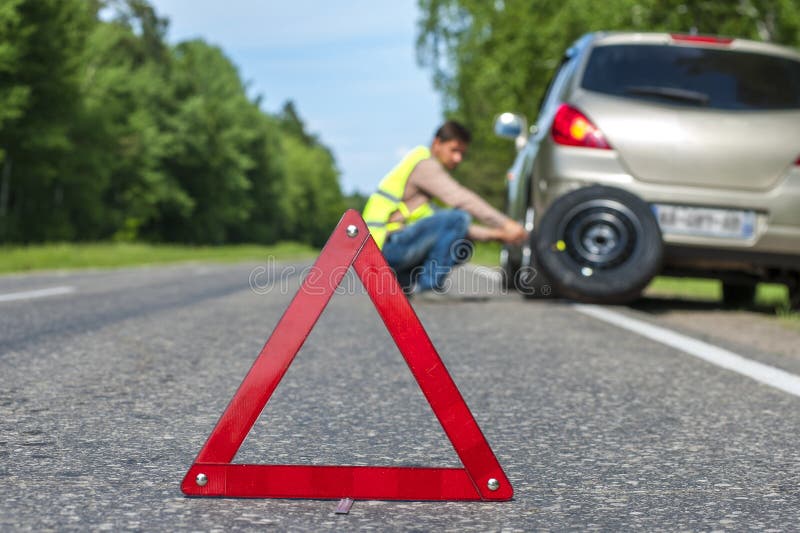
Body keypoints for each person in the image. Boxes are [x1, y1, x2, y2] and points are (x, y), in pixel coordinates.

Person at [362, 120, 527, 297]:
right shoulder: (426, 166)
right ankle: (428, 286)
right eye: (454, 150)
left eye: (462, 153)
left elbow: (456, 230)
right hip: (384, 249)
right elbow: (462, 199)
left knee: (462, 240)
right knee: (458, 218)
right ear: (437, 144)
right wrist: (505, 223)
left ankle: (403, 281)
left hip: (387, 249)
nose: (458, 158)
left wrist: (500, 236)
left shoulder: (426, 186)